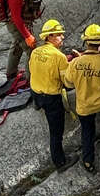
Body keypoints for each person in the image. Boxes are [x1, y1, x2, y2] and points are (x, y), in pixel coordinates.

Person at [64, 24, 100, 173]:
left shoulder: (75, 63)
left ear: (86, 42)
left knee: (87, 131)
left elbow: (68, 83)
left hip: (85, 107)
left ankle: (88, 161)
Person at [29, 19, 75, 171]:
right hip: (51, 99)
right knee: (56, 133)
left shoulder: (35, 52)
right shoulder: (59, 57)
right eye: (59, 35)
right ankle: (60, 162)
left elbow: (33, 71)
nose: (62, 37)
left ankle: (36, 104)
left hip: (36, 92)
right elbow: (67, 82)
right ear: (49, 37)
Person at [3, 0, 43, 79]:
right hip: (16, 24)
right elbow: (16, 18)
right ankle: (32, 79)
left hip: (24, 21)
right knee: (31, 50)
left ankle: (11, 74)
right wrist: (27, 36)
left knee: (17, 46)